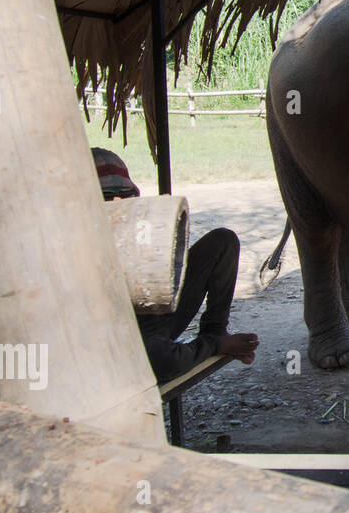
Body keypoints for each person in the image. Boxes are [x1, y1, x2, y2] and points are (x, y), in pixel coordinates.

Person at [92, 148, 258, 383]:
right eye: (106, 194)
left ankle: (215, 329)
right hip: (122, 339)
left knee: (223, 241)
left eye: (126, 193)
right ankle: (213, 343)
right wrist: (211, 347)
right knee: (161, 360)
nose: (118, 202)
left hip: (153, 316)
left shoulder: (134, 226)